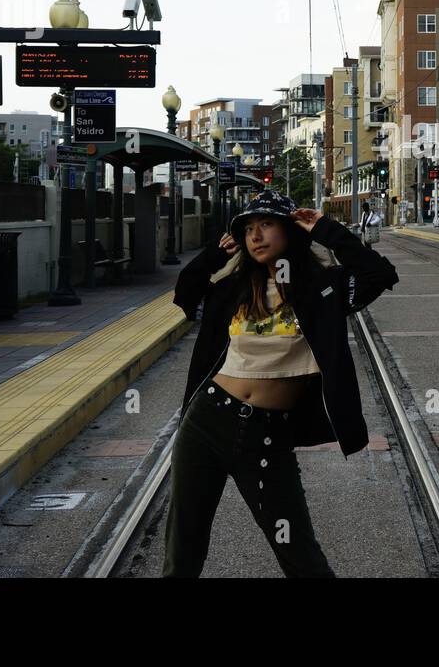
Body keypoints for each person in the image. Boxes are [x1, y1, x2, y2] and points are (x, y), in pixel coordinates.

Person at [162, 188, 399, 577]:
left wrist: (326, 229)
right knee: (183, 548)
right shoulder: (231, 290)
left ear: (290, 231)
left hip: (266, 434)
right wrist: (216, 252)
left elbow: (379, 273)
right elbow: (185, 292)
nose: (255, 236)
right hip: (206, 421)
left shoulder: (325, 290)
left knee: (299, 552)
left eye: (267, 225)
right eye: (248, 229)